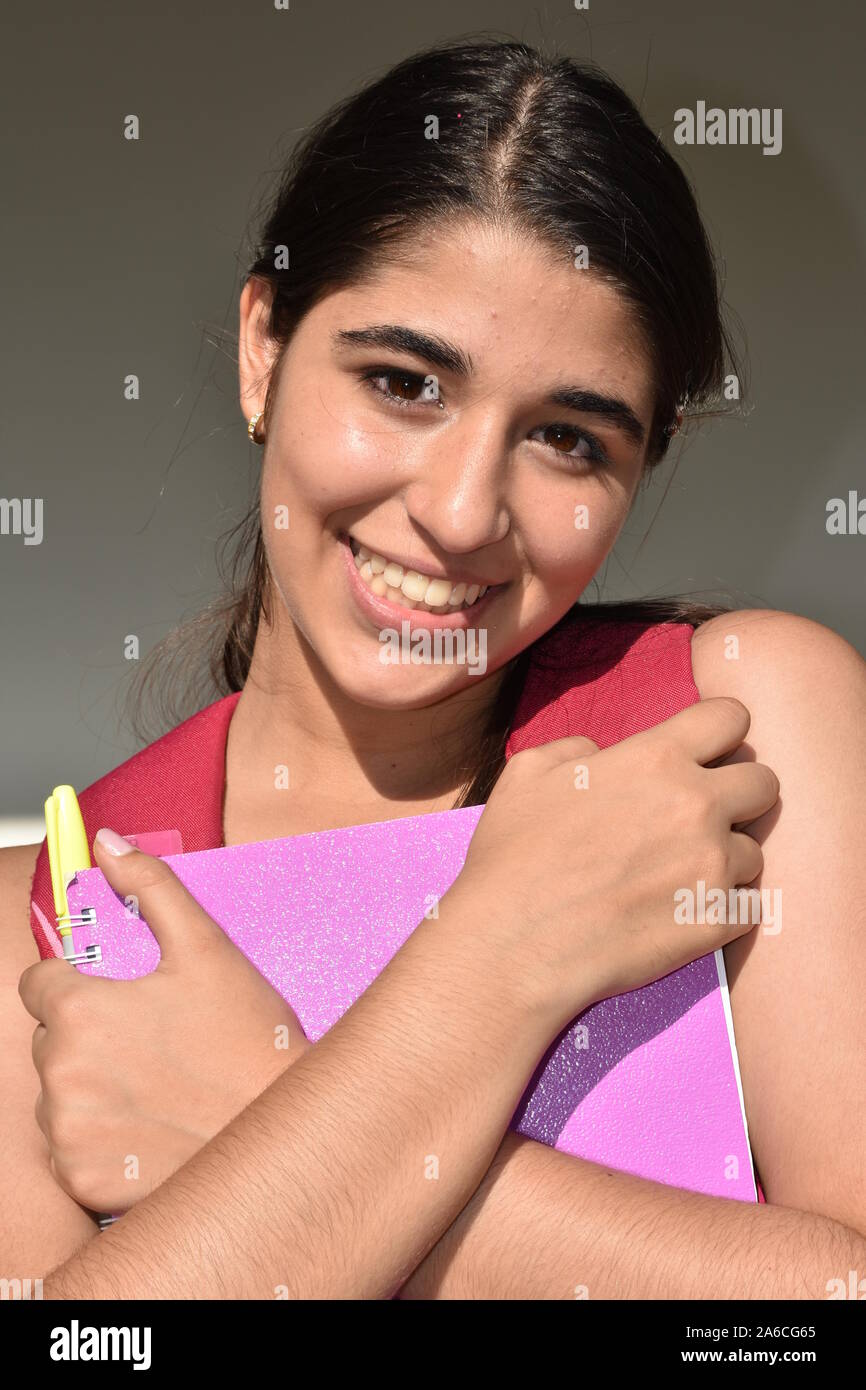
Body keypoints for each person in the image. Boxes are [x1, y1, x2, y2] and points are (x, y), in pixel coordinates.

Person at [3, 36, 865, 1300]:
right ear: (262, 348)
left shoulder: (734, 730)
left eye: (567, 438)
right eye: (402, 382)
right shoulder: (41, 919)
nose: (463, 512)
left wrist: (261, 1109)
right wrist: (496, 960)